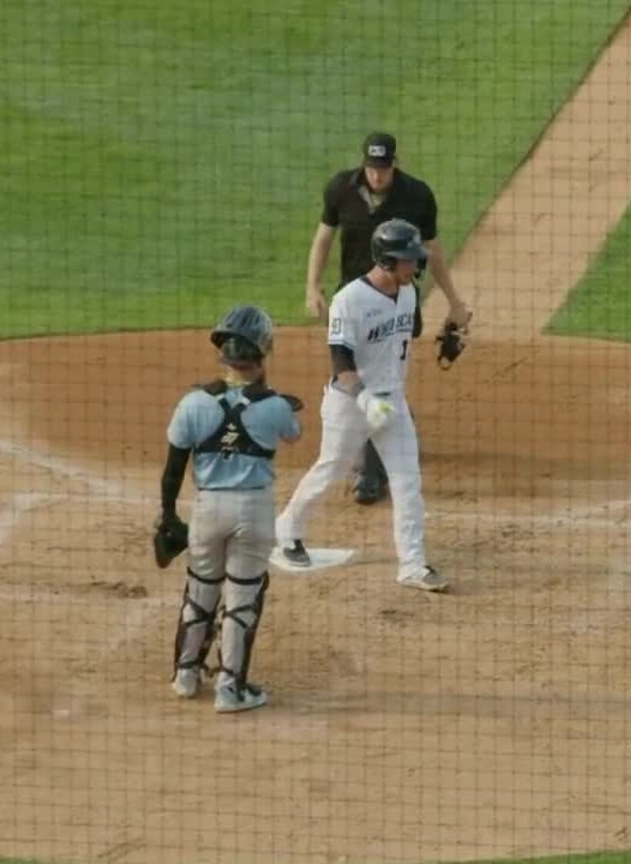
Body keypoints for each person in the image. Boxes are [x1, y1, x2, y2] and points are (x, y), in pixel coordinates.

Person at [277, 219, 448, 592]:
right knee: (330, 470)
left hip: (393, 405)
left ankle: (413, 565)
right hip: (349, 405)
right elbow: (340, 364)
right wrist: (365, 397)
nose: (414, 266)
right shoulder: (349, 300)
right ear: (387, 260)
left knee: (407, 482)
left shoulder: (408, 294)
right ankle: (288, 530)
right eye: (408, 260)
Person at [305, 131, 472, 506]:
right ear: (363, 162)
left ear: (395, 163)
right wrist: (312, 287)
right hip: (354, 304)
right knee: (362, 376)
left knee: (388, 377)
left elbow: (434, 251)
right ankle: (370, 470)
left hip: (399, 301)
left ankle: (393, 431)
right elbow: (323, 238)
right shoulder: (340, 189)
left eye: (383, 168)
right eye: (371, 167)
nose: (377, 175)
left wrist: (455, 302)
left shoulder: (417, 195)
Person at [157, 305, 302, 713]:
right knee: (242, 599)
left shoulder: (191, 404)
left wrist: (168, 516)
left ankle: (186, 674)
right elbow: (291, 435)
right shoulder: (276, 408)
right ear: (263, 352)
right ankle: (230, 690)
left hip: (207, 510)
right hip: (253, 511)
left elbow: (172, 472)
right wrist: (266, 390)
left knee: (200, 590)